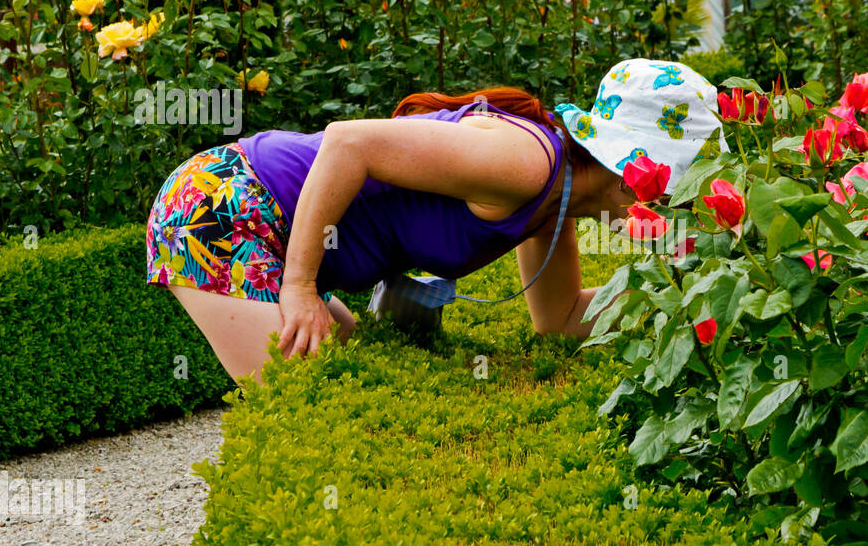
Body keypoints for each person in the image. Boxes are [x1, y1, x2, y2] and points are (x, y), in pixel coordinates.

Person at [144, 57, 720, 381]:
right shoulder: (528, 164)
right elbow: (348, 145)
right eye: (683, 191)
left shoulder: (556, 202)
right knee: (304, 385)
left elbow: (562, 318)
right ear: (632, 172)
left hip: (268, 219)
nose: (683, 211)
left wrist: (692, 296)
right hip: (222, 204)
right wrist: (297, 286)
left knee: (348, 354)